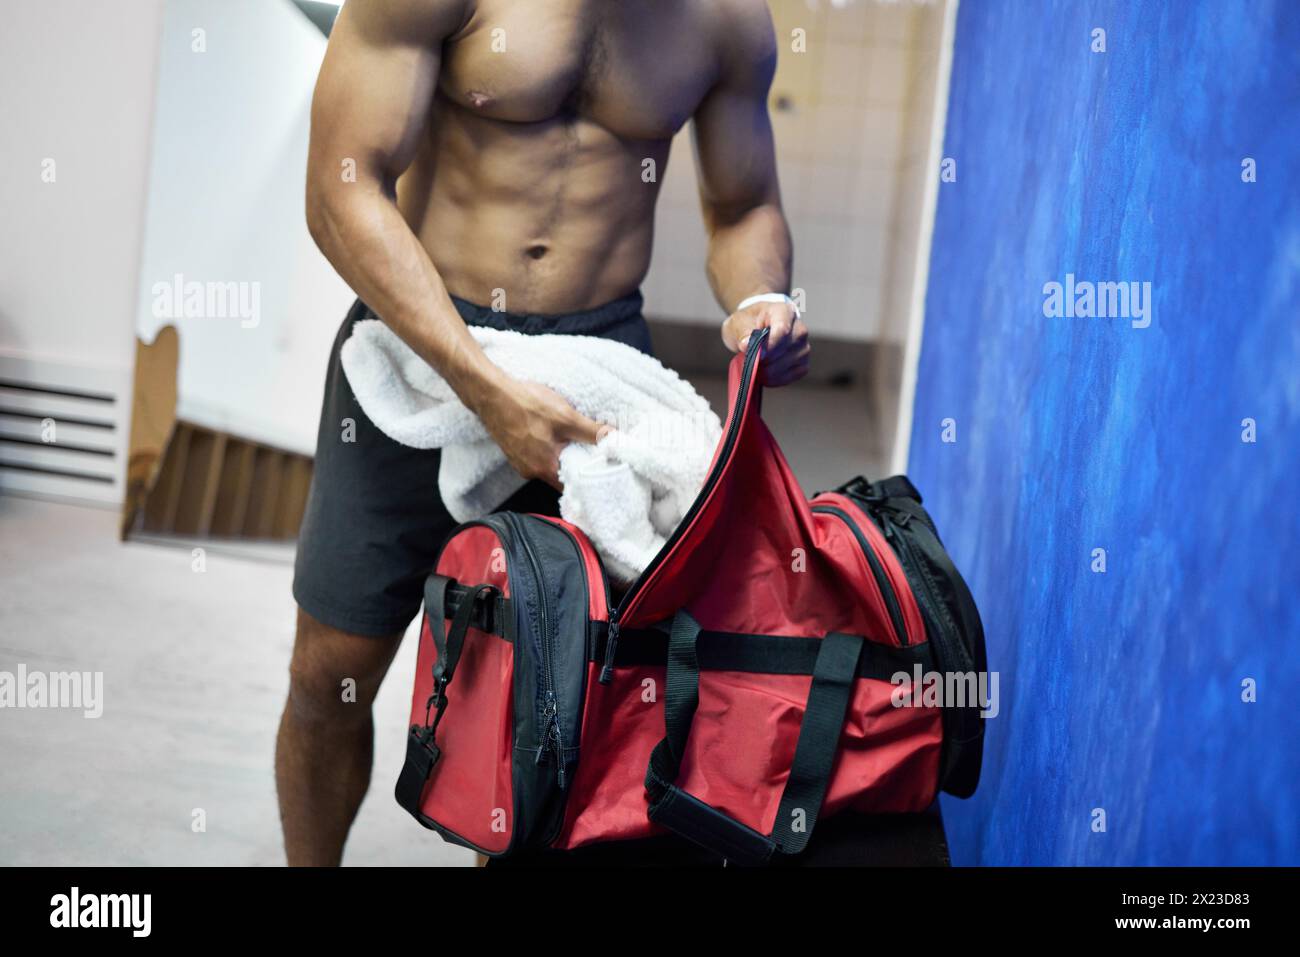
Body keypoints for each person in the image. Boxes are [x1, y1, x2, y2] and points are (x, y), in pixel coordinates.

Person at [276, 0, 809, 866]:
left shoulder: (725, 21)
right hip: (422, 349)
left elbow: (744, 205)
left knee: (550, 702)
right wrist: (488, 391)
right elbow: (342, 187)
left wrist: (763, 300)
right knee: (329, 673)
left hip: (595, 379)